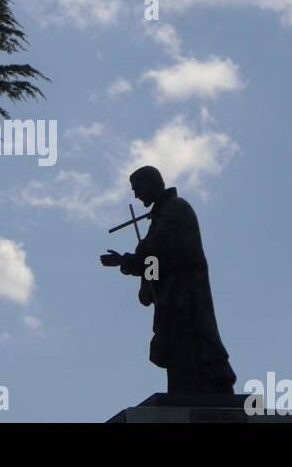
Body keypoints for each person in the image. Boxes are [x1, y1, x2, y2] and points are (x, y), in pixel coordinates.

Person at [101, 166, 236, 395]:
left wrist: (130, 260)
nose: (136, 195)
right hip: (171, 296)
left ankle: (210, 389)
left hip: (186, 295)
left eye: (138, 188)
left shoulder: (176, 210)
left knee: (194, 340)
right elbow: (154, 264)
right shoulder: (160, 217)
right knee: (176, 346)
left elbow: (167, 254)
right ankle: (186, 392)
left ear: (152, 182)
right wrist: (141, 269)